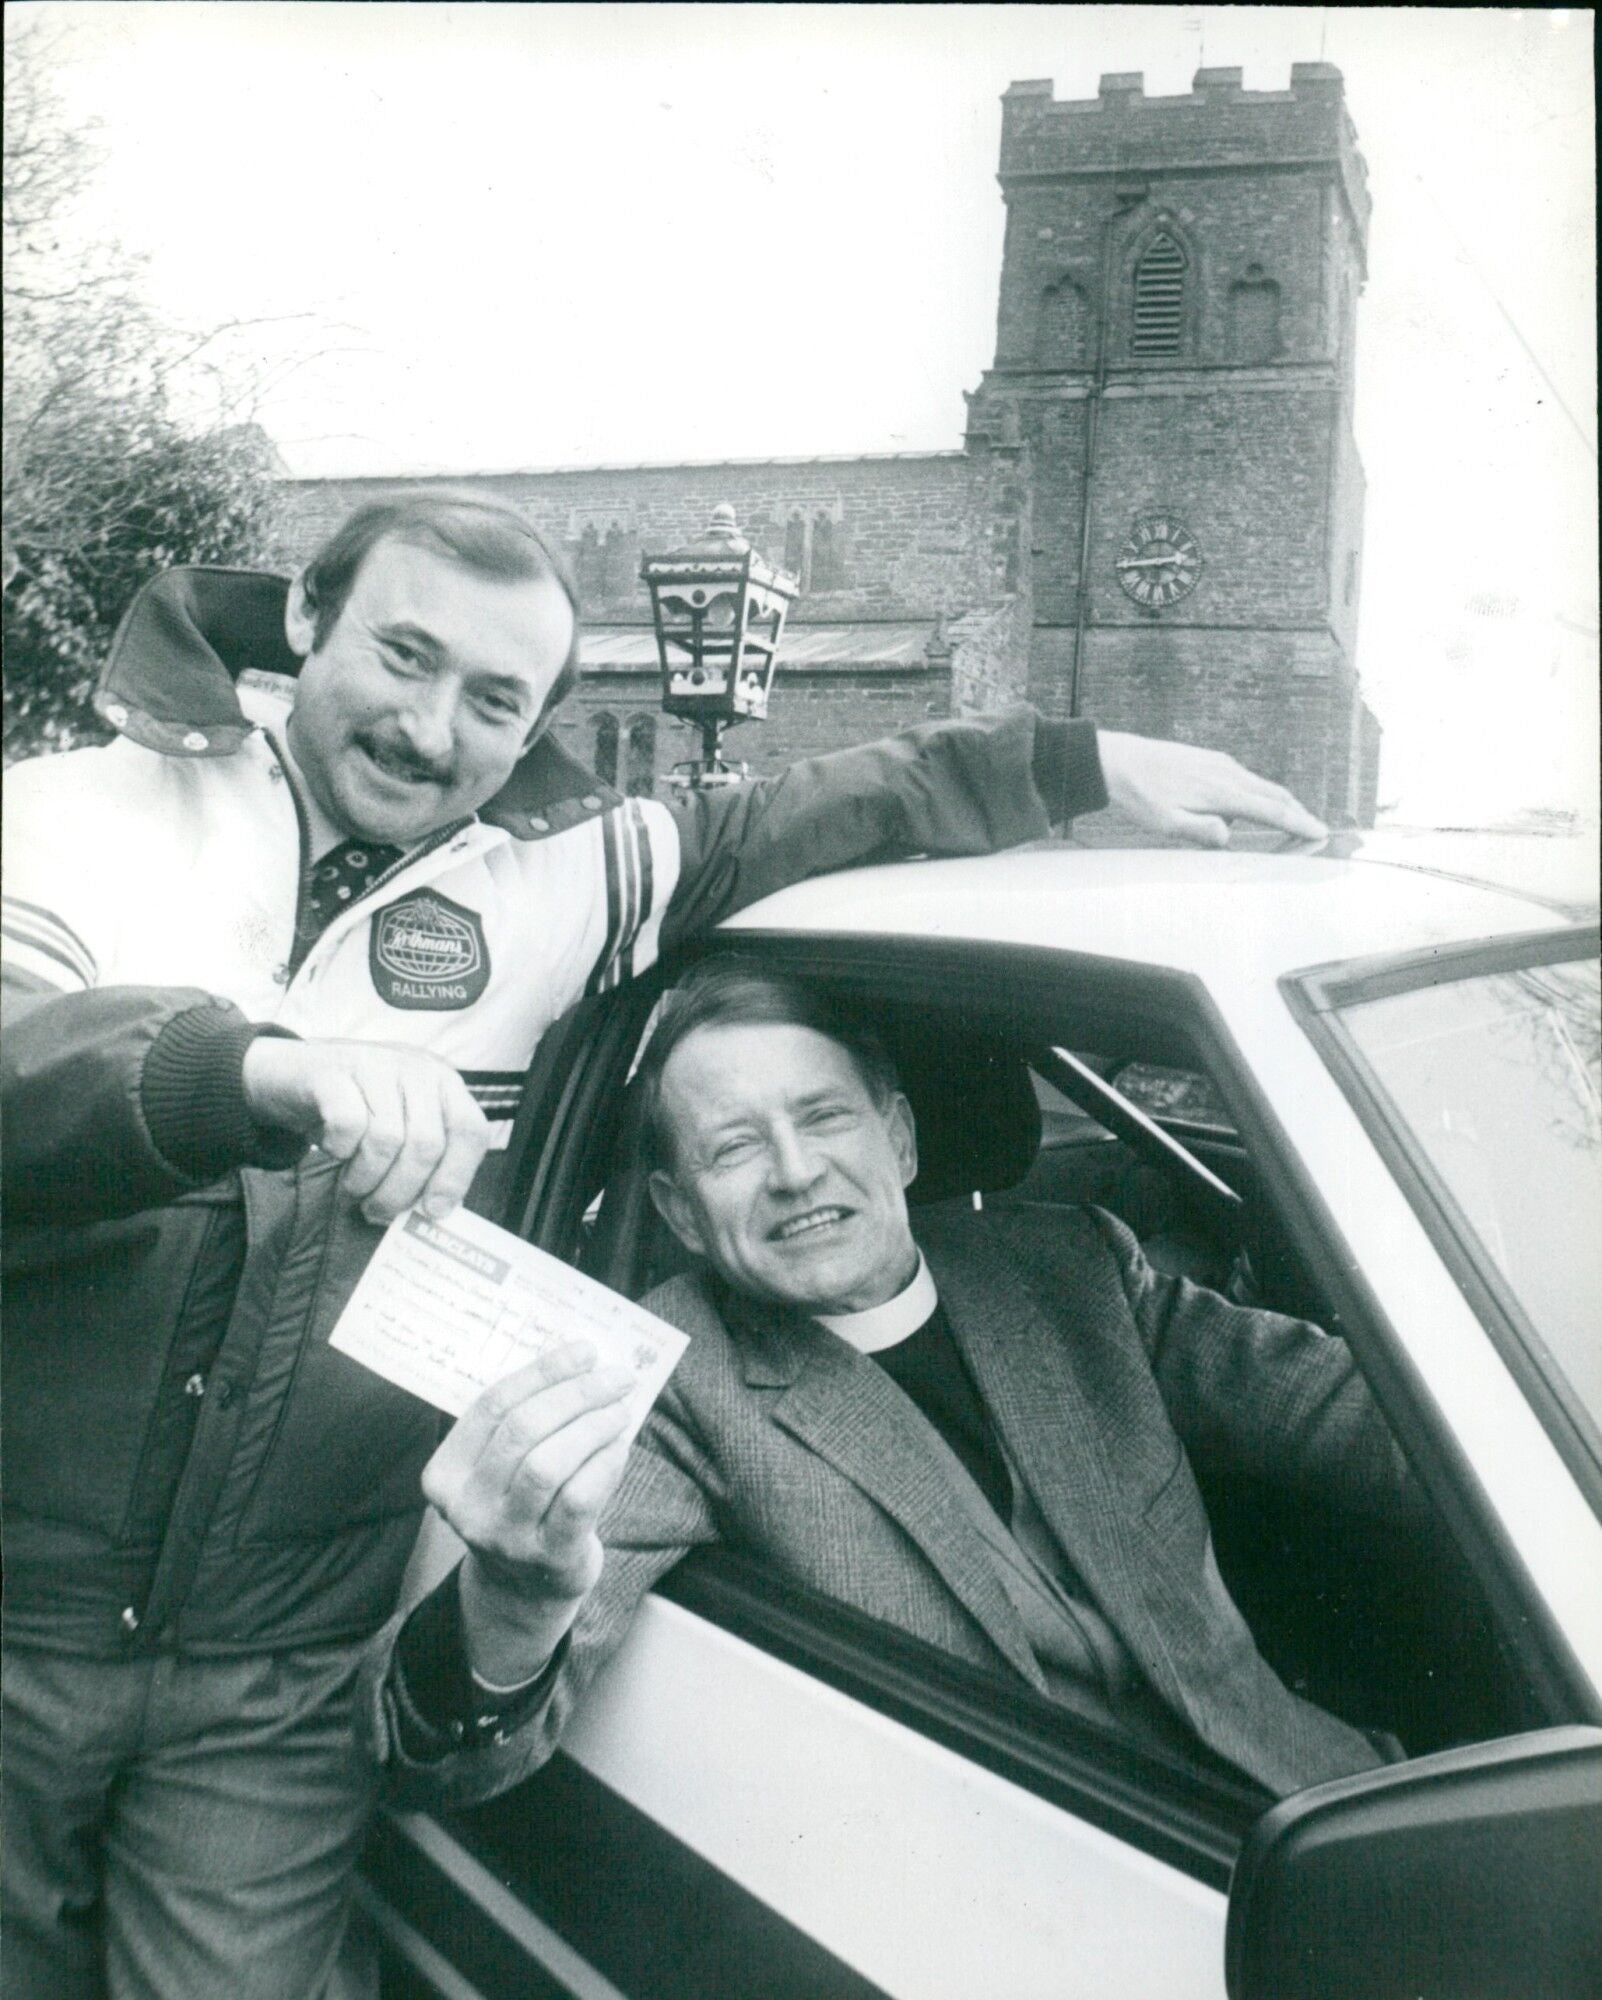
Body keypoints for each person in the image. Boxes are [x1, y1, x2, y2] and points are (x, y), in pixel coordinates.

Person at [1, 491, 1323, 1999]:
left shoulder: (563, 881)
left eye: (495, 700)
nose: (433, 730)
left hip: (283, 1667)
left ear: (539, 724)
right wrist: (245, 1071)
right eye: (404, 656)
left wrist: (1081, 764)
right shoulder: (66, 816)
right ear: (307, 617)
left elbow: (819, 805)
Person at [371, 957, 1416, 1808]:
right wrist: (513, 1594)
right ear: (680, 1213)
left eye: (824, 1116)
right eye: (734, 1145)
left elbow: (1356, 1414)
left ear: (901, 1138)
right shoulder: (666, 1376)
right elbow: (440, 1755)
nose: (794, 1170)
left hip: (1308, 1794)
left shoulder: (1071, 1265)